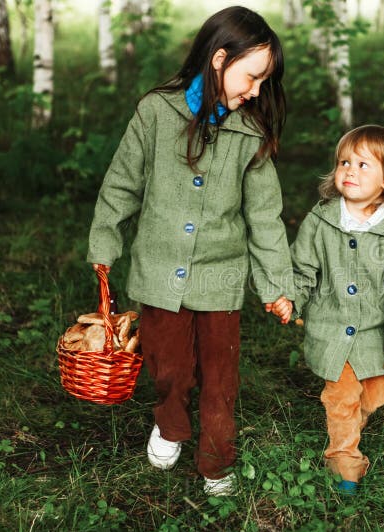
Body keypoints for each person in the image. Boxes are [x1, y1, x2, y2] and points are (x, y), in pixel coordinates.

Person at [87, 6, 294, 497]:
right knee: (170, 368)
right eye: (252, 77)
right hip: (160, 271)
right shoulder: (156, 113)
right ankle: (171, 423)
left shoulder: (250, 135)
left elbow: (265, 219)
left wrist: (276, 286)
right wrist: (105, 241)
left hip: (221, 277)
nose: (256, 91)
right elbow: (121, 183)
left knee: (221, 378)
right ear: (220, 59)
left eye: (264, 82)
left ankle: (217, 462)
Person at [272, 125, 384, 494]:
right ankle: (344, 463)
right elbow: (303, 269)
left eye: (362, 165)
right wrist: (292, 299)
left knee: (374, 395)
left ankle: (354, 421)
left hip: (374, 334)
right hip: (332, 328)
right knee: (340, 399)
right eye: (344, 163)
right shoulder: (320, 221)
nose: (350, 171)